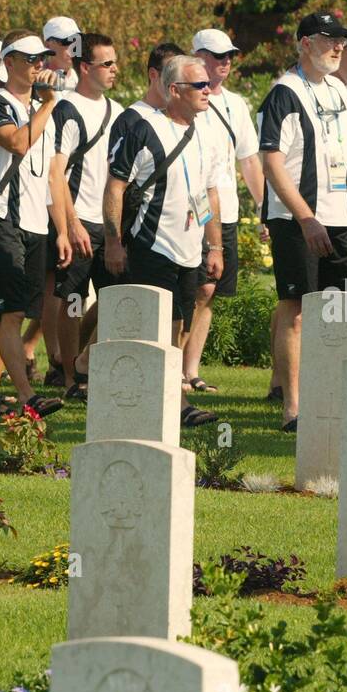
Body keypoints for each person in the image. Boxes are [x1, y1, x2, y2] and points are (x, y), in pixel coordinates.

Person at [103, 54, 224, 428]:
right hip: (151, 244)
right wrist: (113, 241)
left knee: (181, 326)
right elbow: (116, 186)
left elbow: (205, 193)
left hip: (190, 249)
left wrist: (214, 245)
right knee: (159, 327)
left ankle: (165, 394)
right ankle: (174, 401)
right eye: (199, 85)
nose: (208, 91)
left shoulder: (204, 132)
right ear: (174, 90)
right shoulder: (144, 128)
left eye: (208, 84)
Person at [258, 12, 347, 432]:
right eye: (329, 39)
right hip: (300, 219)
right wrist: (305, 217)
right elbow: (271, 161)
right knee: (297, 311)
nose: (339, 46)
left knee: (339, 312)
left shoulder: (339, 88)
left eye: (343, 40)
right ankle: (294, 407)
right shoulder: (284, 93)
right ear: (304, 43)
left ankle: (331, 402)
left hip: (344, 217)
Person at [0, 30, 71, 417]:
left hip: (35, 224)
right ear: (7, 63)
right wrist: (46, 106)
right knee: (9, 312)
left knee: (9, 316)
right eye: (29, 60)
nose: (37, 67)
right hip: (2, 220)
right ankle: (27, 395)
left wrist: (62, 229)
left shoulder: (45, 110)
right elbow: (16, 143)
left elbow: (50, 176)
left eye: (41, 60)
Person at [184, 28, 264, 394]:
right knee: (197, 287)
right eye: (218, 56)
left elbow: (249, 160)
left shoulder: (236, 103)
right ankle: (175, 365)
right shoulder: (185, 99)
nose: (226, 63)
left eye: (229, 56)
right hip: (193, 209)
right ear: (197, 56)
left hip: (226, 210)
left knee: (211, 291)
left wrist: (265, 208)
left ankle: (191, 368)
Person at [48, 32, 121, 400]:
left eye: (114, 62)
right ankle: (68, 376)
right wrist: (71, 222)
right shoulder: (67, 108)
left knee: (112, 298)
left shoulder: (118, 111)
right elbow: (56, 171)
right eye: (107, 63)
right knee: (73, 300)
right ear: (85, 66)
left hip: (108, 225)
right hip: (79, 218)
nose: (114, 69)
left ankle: (83, 364)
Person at [24, 15, 83, 378]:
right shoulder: (39, 80)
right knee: (52, 284)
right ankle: (57, 358)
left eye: (73, 42)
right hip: (47, 182)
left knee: (69, 287)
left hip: (76, 184)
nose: (69, 50)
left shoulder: (78, 80)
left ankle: (42, 348)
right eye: (62, 44)